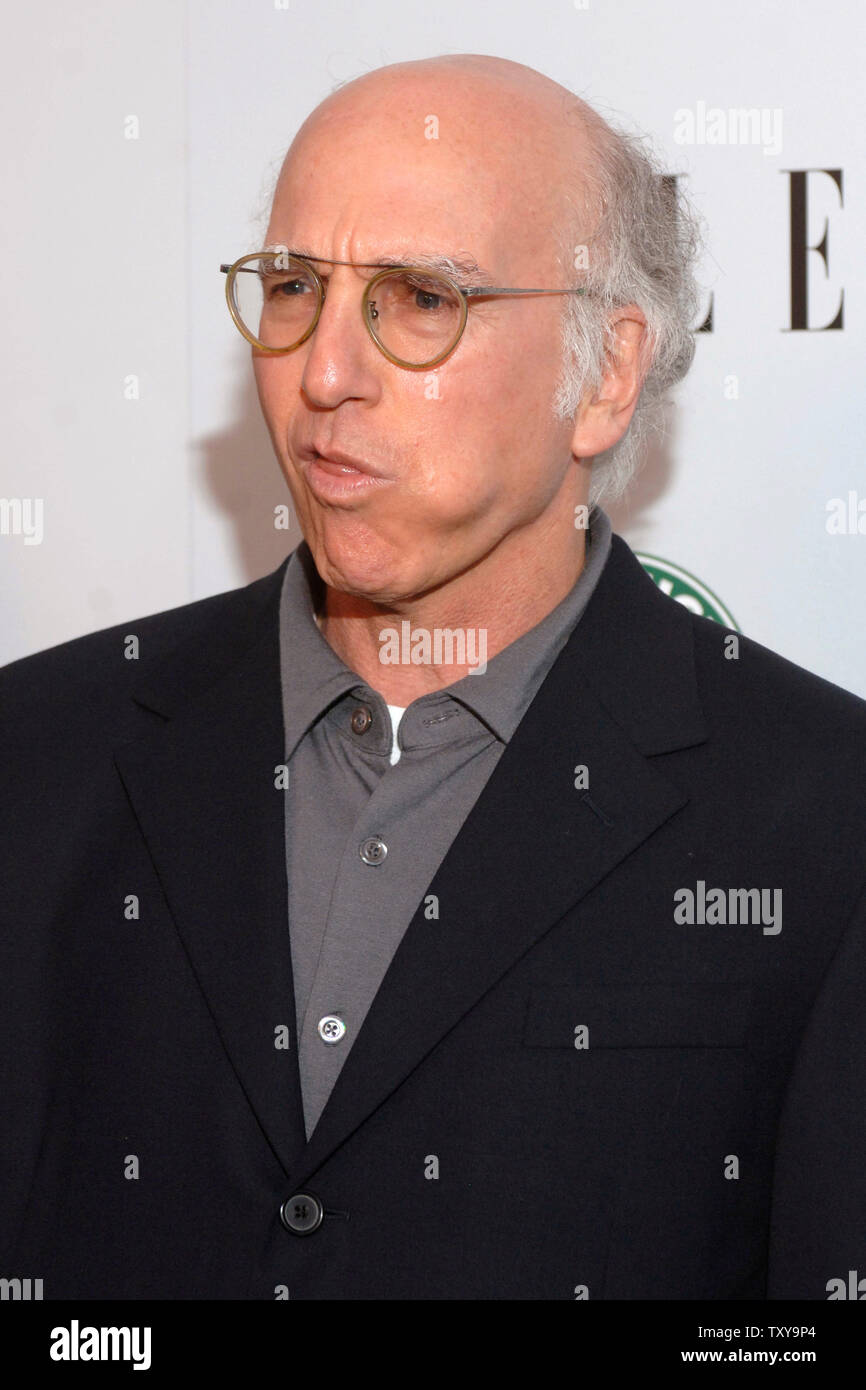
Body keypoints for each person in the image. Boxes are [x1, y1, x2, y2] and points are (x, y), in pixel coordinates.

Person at [2, 53, 864, 1301]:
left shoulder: (824, 817)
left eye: (416, 300)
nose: (323, 372)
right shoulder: (38, 754)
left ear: (606, 373)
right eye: (293, 286)